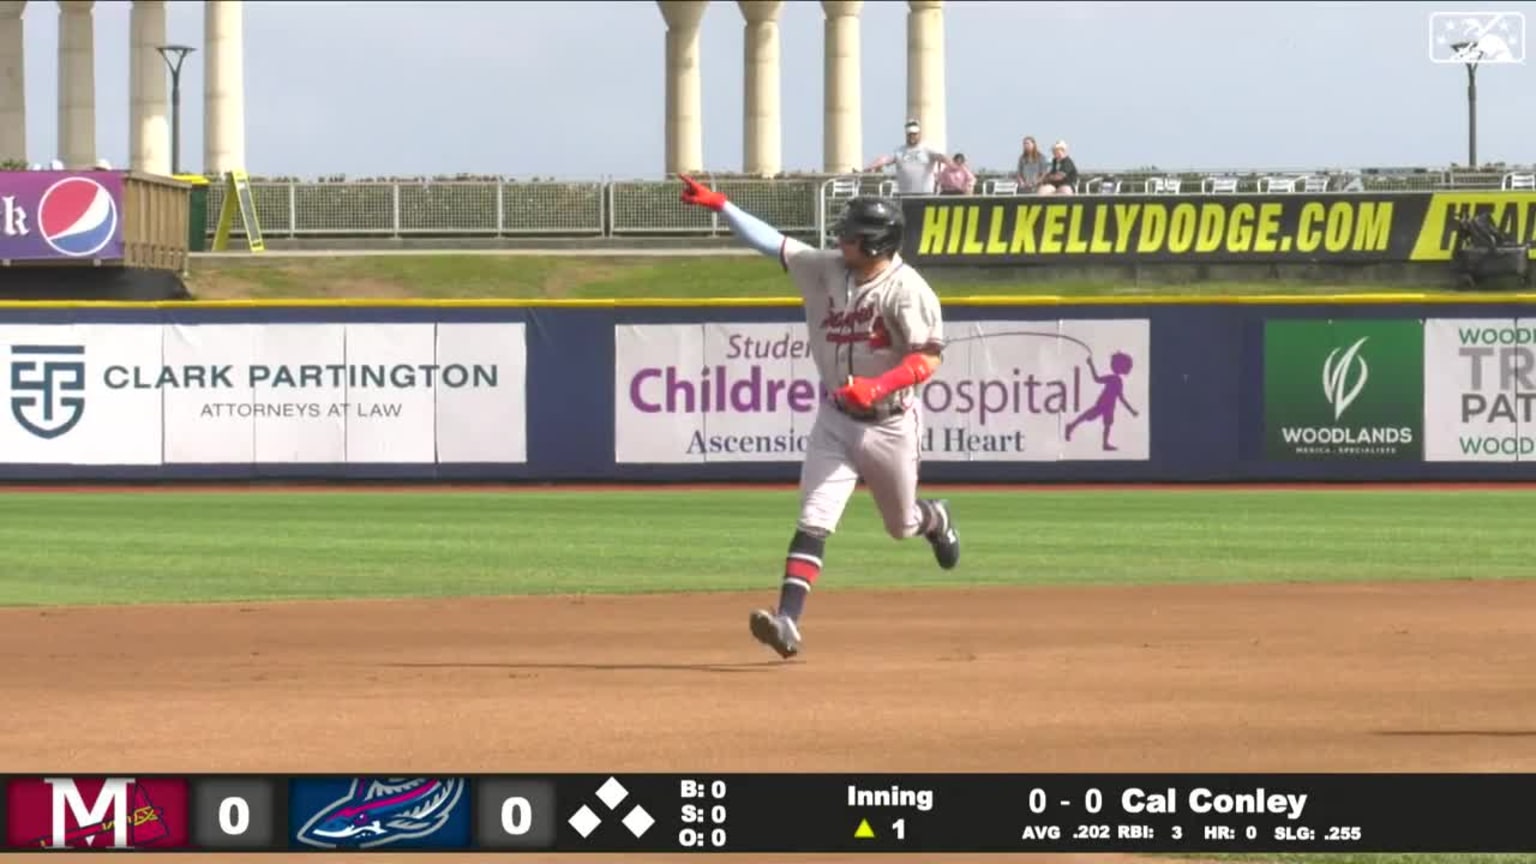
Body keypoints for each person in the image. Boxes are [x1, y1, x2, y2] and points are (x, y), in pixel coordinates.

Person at [677, 174, 961, 660]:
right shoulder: (826, 269)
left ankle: (934, 517)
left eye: (850, 233)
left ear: (874, 244)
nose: (839, 238)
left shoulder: (908, 291)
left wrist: (878, 385)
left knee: (901, 525)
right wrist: (722, 206)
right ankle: (787, 620)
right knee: (814, 519)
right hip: (835, 420)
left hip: (890, 423)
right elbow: (774, 243)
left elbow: (926, 359)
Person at [865, 119, 954, 195]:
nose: (912, 137)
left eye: (914, 134)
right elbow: (885, 159)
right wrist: (871, 166)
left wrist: (952, 165)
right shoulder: (899, 151)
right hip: (905, 195)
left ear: (919, 134)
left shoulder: (927, 150)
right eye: (910, 134)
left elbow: (941, 157)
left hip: (925, 195)